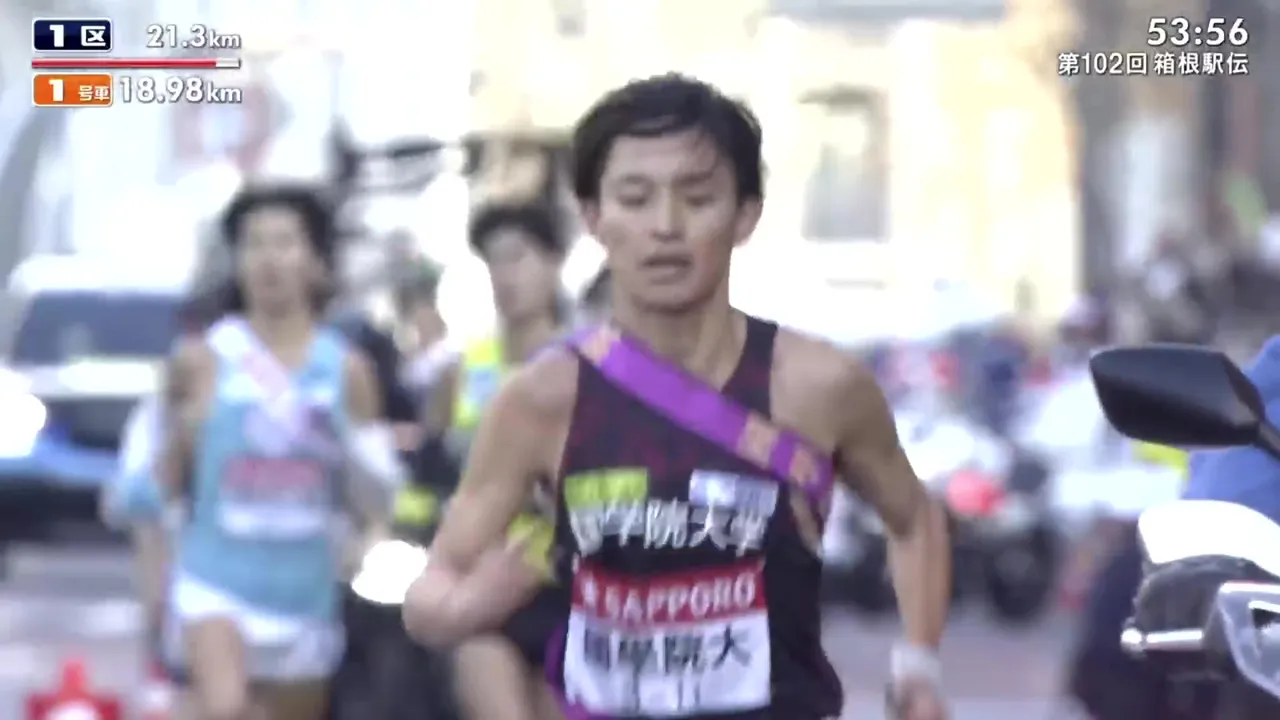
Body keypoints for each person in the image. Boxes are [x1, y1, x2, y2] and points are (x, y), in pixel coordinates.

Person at [403, 73, 951, 720]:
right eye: (635, 199)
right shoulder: (541, 400)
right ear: (594, 217)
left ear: (745, 215)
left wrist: (919, 667)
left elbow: (914, 518)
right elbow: (431, 593)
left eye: (697, 198)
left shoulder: (820, 386)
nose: (666, 226)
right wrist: (474, 601)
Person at [159, 183, 403, 720]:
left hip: (304, 593)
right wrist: (184, 430)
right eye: (254, 244)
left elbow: (376, 492)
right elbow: (163, 486)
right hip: (215, 584)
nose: (269, 259)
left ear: (315, 262)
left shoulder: (347, 371)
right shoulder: (201, 360)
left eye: (286, 243)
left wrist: (370, 540)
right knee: (226, 708)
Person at [427, 203, 570, 720]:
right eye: (493, 262)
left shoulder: (591, 365)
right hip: (483, 584)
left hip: (569, 589)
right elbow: (431, 468)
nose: (505, 276)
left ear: (554, 263)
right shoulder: (463, 371)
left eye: (518, 258)